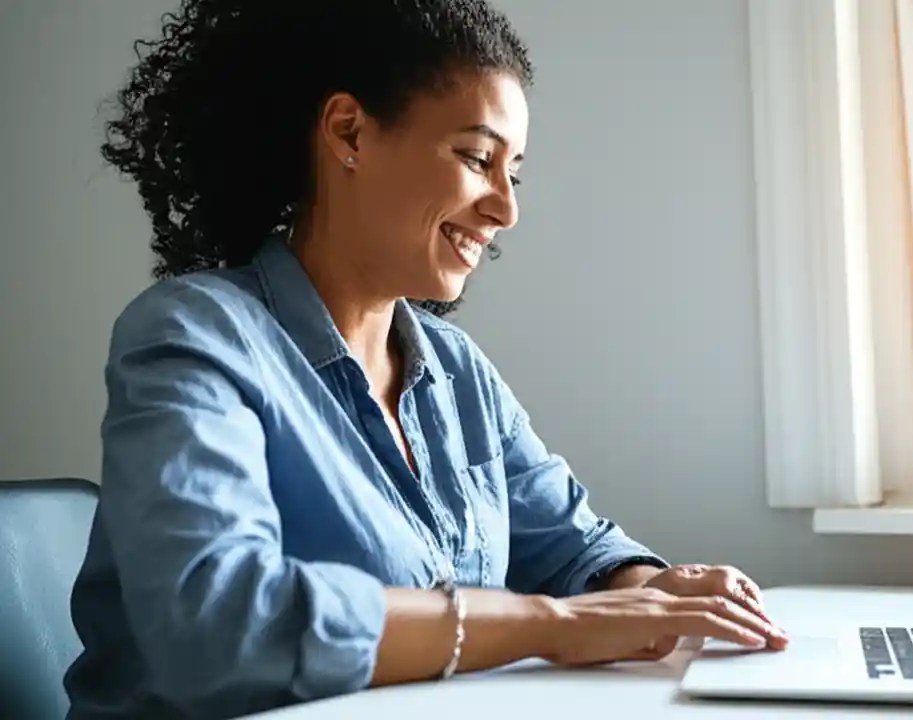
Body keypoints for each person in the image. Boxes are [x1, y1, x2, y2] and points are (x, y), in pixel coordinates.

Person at [62, 1, 788, 718]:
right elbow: (218, 623)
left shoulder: (455, 369)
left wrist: (656, 592)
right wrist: (544, 626)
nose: (505, 208)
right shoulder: (195, 335)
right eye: (477, 158)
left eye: (516, 173)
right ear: (349, 132)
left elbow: (576, 551)